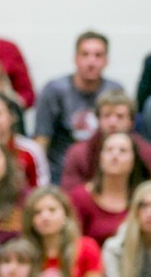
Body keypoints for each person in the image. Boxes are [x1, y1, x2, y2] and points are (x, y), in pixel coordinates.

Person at [35, 31, 121, 184]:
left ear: (106, 60)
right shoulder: (55, 90)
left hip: (102, 174)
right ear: (75, 59)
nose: (91, 62)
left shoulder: (114, 91)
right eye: (85, 54)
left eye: (98, 55)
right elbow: (42, 139)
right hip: (59, 174)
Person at [61, 91, 151, 191]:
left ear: (132, 121)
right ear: (98, 120)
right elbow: (70, 197)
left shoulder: (147, 153)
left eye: (120, 116)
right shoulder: (79, 153)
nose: (112, 123)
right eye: (107, 116)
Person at [69, 131, 148, 245]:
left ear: (133, 161)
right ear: (101, 158)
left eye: (123, 151)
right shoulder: (80, 197)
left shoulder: (143, 199)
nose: (115, 155)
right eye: (109, 150)